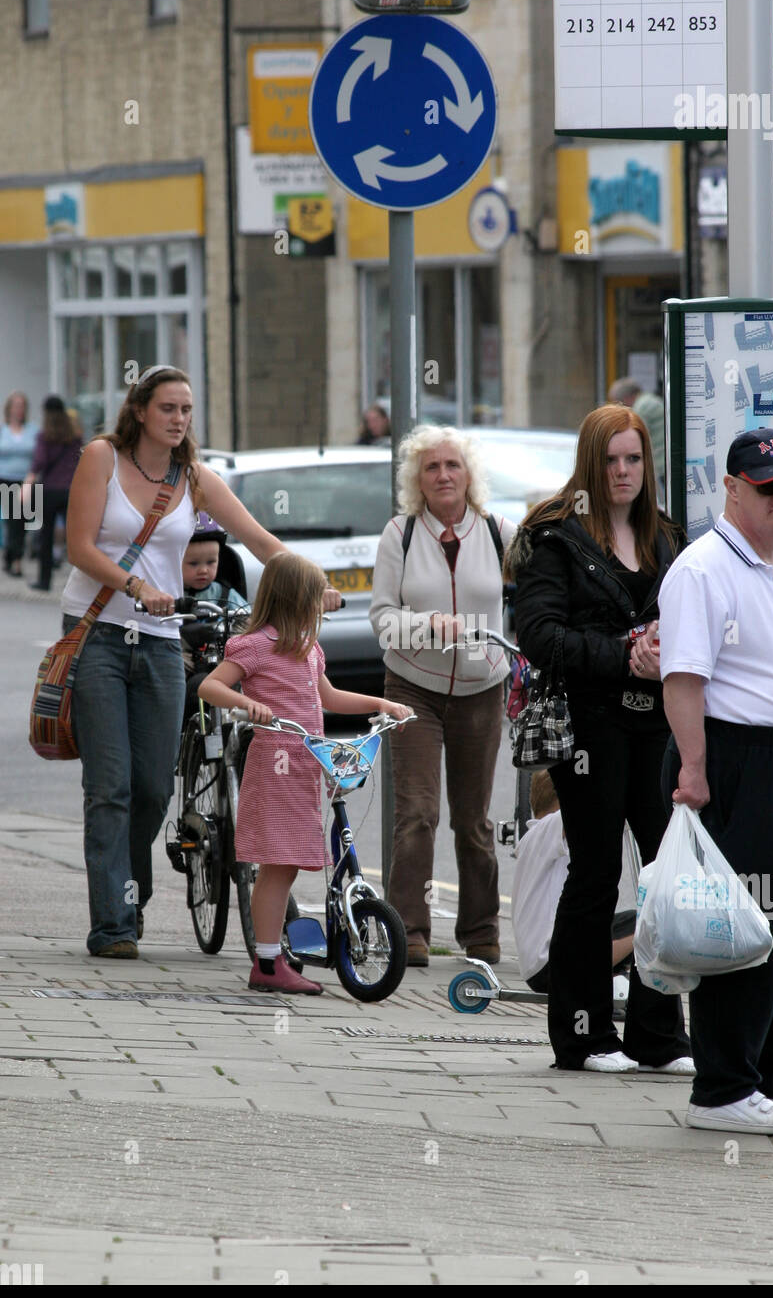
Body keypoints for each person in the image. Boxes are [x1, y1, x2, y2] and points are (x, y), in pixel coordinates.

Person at [60, 364, 343, 960]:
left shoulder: (194, 478)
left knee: (154, 788)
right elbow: (80, 546)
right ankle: (113, 922)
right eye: (168, 408)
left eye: (186, 410)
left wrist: (313, 584)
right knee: (109, 786)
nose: (179, 419)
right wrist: (137, 588)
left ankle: (129, 894)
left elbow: (262, 540)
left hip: (163, 641)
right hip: (100, 634)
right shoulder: (101, 458)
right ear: (140, 410)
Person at [659, 427, 773, 1135]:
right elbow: (683, 679)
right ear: (732, 488)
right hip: (742, 760)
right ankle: (722, 1088)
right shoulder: (703, 569)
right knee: (745, 925)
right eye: (770, 488)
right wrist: (696, 767)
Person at [507, 403, 692, 1072]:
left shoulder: (666, 537)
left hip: (658, 725)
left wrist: (664, 652)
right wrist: (623, 652)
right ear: (591, 463)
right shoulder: (554, 536)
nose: (622, 472)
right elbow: (538, 635)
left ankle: (658, 1036)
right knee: (596, 872)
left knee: (665, 876)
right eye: (610, 460)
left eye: (633, 459)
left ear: (647, 463)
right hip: (589, 725)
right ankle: (583, 1037)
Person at [197, 551, 413, 994]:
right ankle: (268, 965)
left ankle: (274, 956)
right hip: (275, 764)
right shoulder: (255, 645)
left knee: (288, 864)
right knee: (279, 865)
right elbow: (209, 686)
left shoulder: (308, 647)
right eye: (316, 598)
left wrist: (379, 703)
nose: (322, 606)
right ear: (294, 599)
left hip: (305, 764)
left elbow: (328, 698)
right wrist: (246, 703)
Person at [369, 425, 516, 967]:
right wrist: (428, 626)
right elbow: (382, 620)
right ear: (418, 480)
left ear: (469, 474)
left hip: (482, 687)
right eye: (431, 468)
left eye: (452, 465)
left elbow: (535, 593)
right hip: (413, 687)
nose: (444, 475)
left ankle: (480, 934)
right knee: (417, 814)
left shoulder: (500, 532)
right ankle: (408, 930)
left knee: (473, 820)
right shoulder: (400, 535)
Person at [511, 772, 634, 1011]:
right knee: (649, 926)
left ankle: (611, 978)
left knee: (627, 920)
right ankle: (600, 980)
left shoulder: (541, 840)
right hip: (550, 961)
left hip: (546, 959)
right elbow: (582, 812)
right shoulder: (545, 830)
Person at [179, 513, 250, 726]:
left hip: (219, 655)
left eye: (211, 562)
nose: (203, 570)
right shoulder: (166, 593)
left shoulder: (226, 594)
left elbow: (246, 623)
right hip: (182, 655)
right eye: (193, 564)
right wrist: (183, 636)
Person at [23, 396, 82, 592]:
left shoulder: (44, 435)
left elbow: (40, 461)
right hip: (70, 490)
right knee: (75, 538)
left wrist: (29, 480)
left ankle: (44, 581)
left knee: (46, 537)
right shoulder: (75, 435)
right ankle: (81, 582)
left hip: (48, 491)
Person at [608, 376, 666, 503]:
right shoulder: (650, 400)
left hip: (661, 465)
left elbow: (633, 436)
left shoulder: (641, 407)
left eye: (619, 403)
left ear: (627, 398)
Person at [0, 390, 39, 575]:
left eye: (22, 406)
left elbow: (39, 455)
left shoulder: (33, 430)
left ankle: (13, 556)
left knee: (25, 521)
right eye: (16, 406)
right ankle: (13, 559)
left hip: (29, 480)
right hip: (7, 479)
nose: (19, 410)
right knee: (12, 520)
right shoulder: (3, 430)